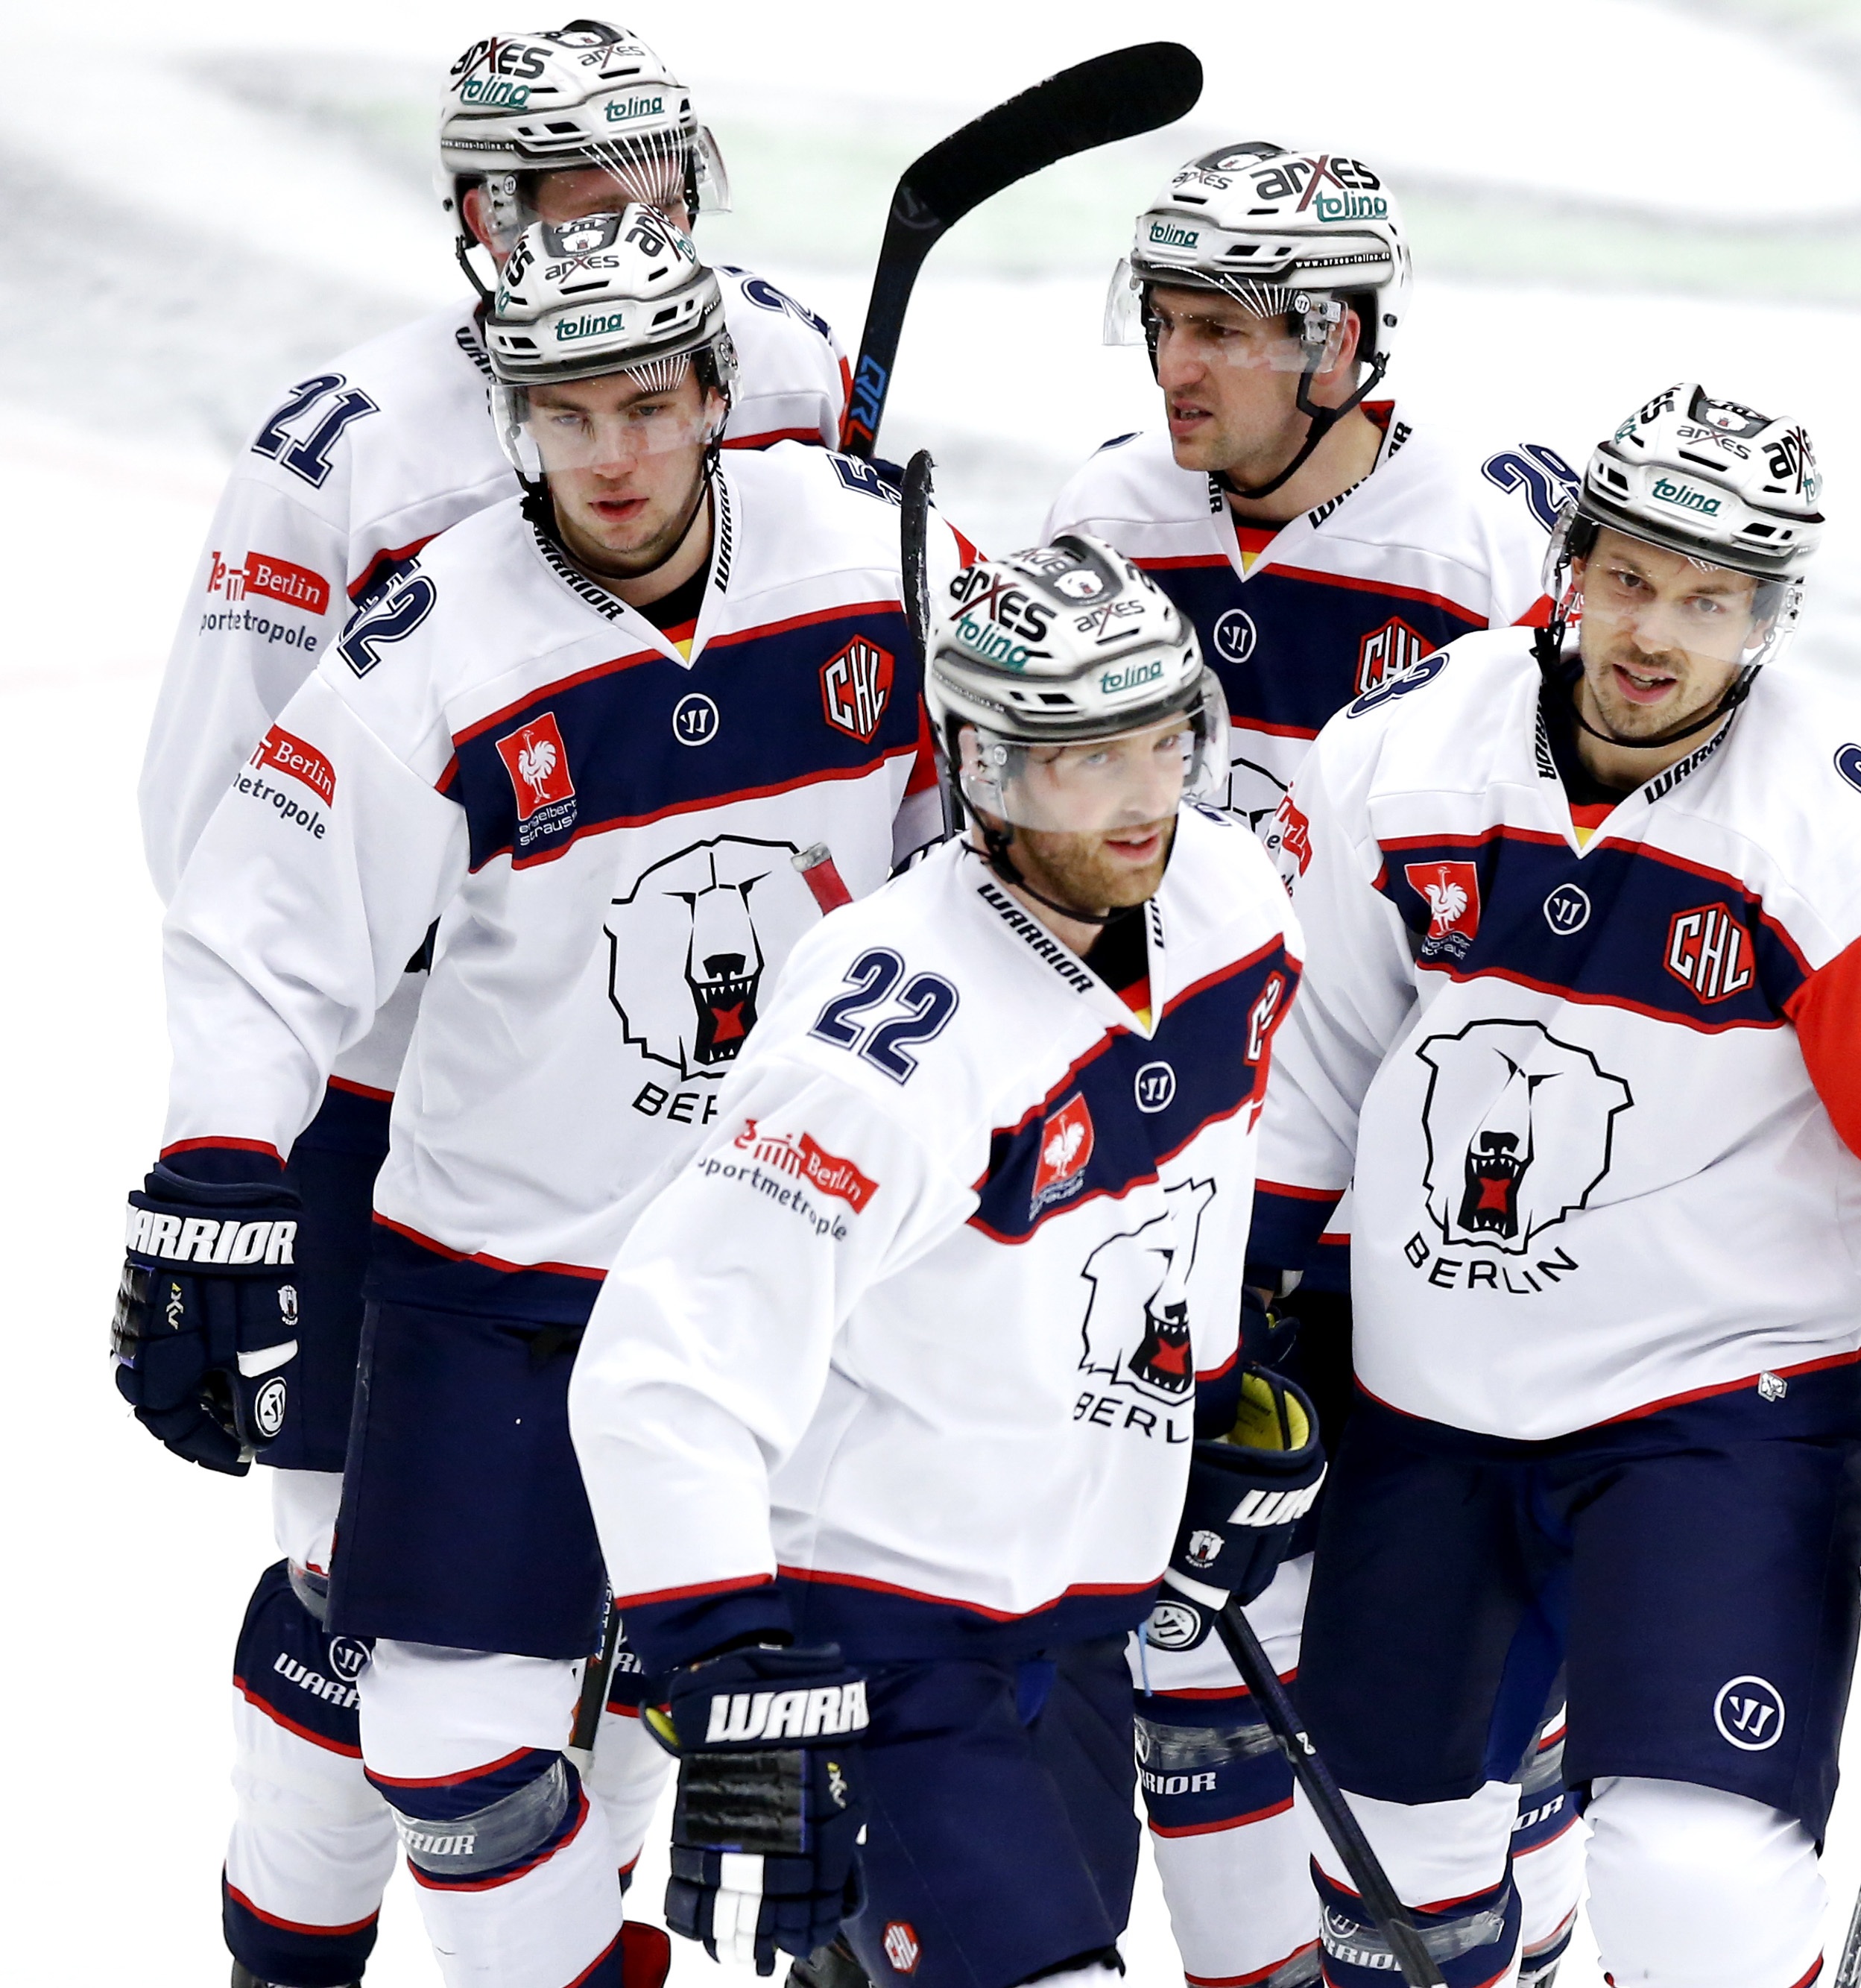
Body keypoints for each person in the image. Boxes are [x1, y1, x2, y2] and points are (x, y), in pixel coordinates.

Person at [113, 207, 938, 1988]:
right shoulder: (438, 643)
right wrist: (216, 1152)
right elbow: (266, 912)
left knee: (857, 1768)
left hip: (801, 1274)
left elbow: (1016, 866)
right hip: (506, 1278)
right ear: (516, 424)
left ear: (720, 394)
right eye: (567, 411)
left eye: (648, 400)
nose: (614, 451)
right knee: (444, 1753)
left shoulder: (891, 565)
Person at [1247, 384, 1861, 1988]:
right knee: (1385, 1870)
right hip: (1427, 1401)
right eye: (1628, 577)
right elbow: (1313, 1052)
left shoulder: (1834, 830)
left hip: (1717, 1414)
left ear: (1769, 616)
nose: (1655, 635)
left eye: (1713, 599)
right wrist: (1241, 1323)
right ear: (1568, 561)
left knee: (1694, 1874)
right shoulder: (1401, 751)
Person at [569, 532, 1315, 1988]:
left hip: (1082, 1607)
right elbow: (664, 1364)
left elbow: (1191, 1181)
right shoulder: (882, 1038)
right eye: (1078, 759)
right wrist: (726, 1671)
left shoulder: (1235, 905)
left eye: (1162, 741)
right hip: (878, 1630)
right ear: (980, 769)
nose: (1139, 797)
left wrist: (1209, 1384)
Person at [1050, 142, 1584, 1988]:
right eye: (1164, 323)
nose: (1174, 367)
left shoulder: (1484, 552)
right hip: (1169, 1155)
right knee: (1186, 1635)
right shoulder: (1112, 516)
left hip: (1404, 1174)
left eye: (1221, 332)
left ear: (1339, 340)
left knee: (1429, 1637)